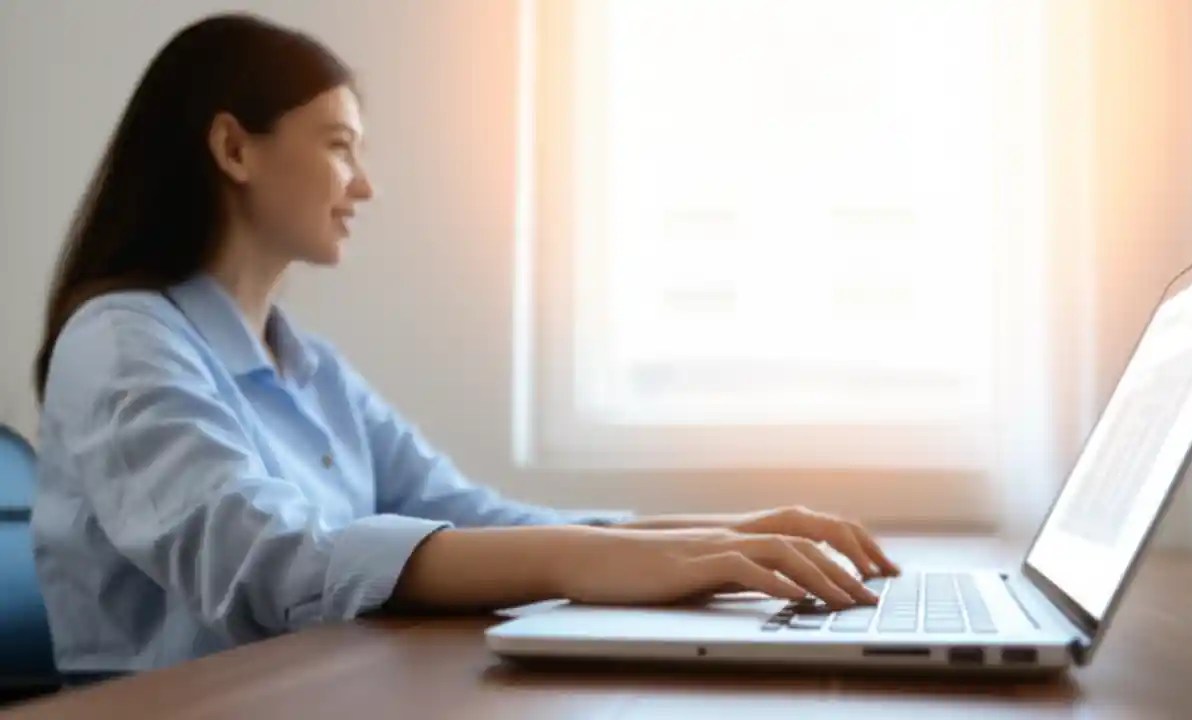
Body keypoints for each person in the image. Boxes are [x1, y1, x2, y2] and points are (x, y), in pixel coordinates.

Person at [31, 13, 898, 675]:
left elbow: (476, 517)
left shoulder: (310, 369)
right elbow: (271, 561)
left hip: (322, 684)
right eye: (339, 147)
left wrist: (709, 538)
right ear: (233, 148)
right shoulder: (120, 342)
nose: (363, 185)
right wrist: (603, 561)